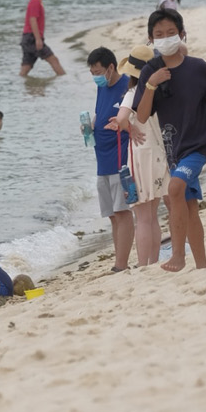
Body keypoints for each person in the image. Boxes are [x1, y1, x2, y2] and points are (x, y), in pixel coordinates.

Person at [135, 10, 206, 272]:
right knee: (189, 206)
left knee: (174, 189)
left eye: (170, 33)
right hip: (173, 150)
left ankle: (178, 256)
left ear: (182, 34)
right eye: (159, 35)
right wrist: (152, 85)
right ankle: (202, 266)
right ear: (151, 39)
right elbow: (141, 116)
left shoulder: (197, 67)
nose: (165, 38)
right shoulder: (150, 72)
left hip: (199, 144)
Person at [111, 46, 165, 266]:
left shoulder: (132, 94)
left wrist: (128, 128)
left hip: (140, 157)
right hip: (160, 155)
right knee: (153, 215)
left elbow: (121, 118)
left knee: (142, 218)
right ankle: (153, 260)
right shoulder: (159, 92)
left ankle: (144, 264)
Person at [87, 47, 134, 271]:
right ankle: (119, 260)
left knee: (123, 211)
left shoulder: (128, 86)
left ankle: (121, 264)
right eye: (92, 72)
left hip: (121, 159)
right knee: (112, 215)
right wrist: (90, 127)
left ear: (111, 67)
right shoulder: (101, 89)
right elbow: (99, 113)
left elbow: (140, 119)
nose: (95, 76)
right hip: (102, 160)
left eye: (98, 71)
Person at [19, 0, 66, 77]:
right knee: (53, 60)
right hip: (32, 38)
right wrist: (38, 39)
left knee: (26, 68)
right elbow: (33, 20)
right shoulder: (35, 2)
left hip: (27, 39)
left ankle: (21, 89)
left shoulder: (36, 2)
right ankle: (66, 81)